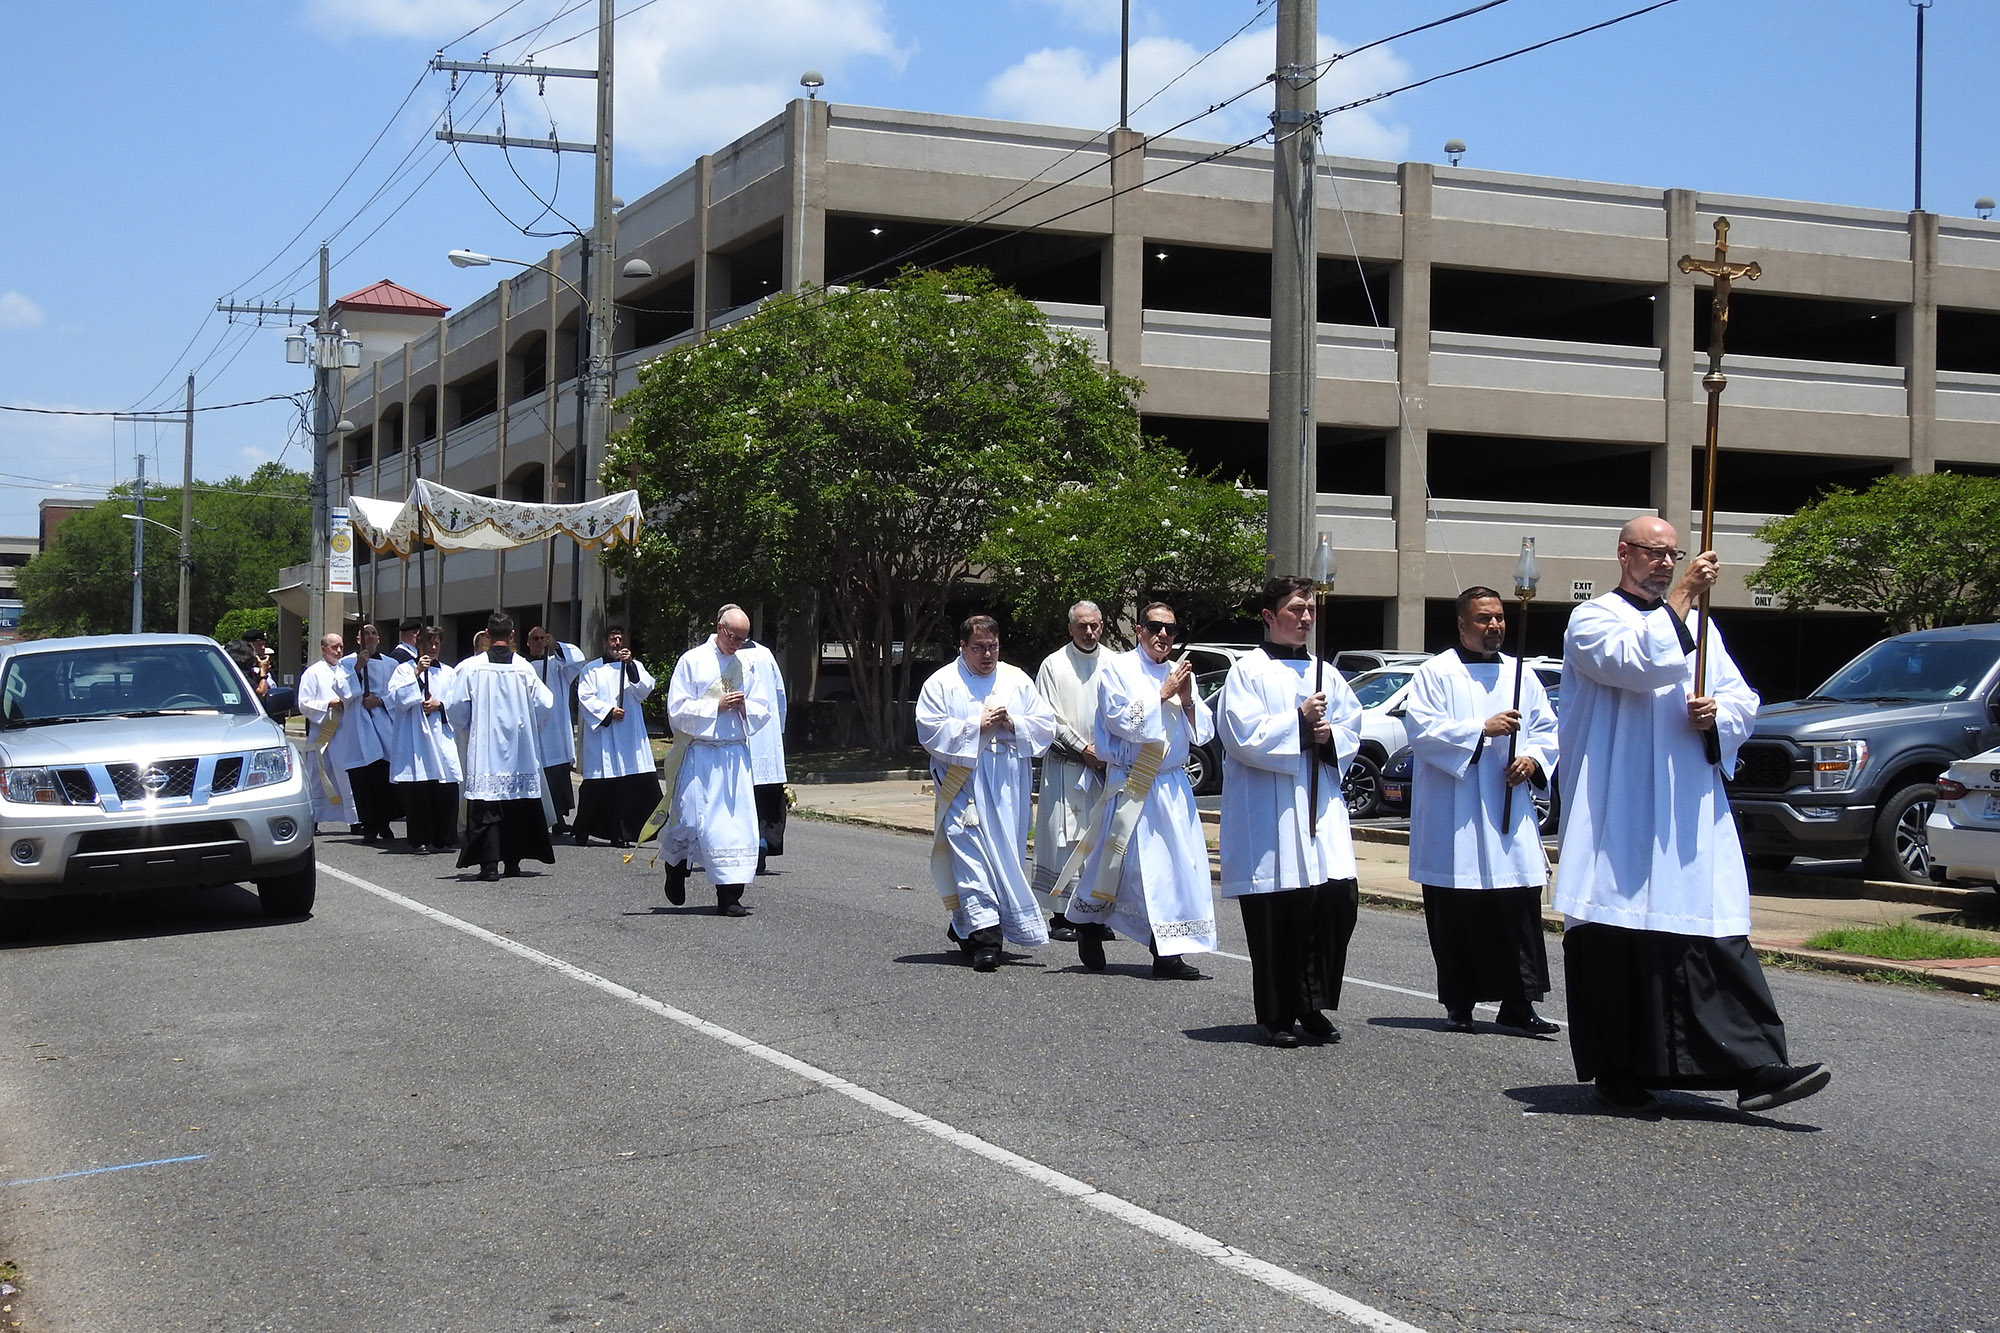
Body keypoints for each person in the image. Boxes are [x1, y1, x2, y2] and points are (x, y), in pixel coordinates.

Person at [1556, 516, 1830, 1114]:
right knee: (1617, 935)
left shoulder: (1701, 627)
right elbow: (1637, 665)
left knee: (1710, 930)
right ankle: (1621, 1069)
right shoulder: (1594, 618)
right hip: (1618, 807)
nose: (1664, 564)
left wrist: (1719, 714)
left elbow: (1742, 698)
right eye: (1655, 554)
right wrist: (1682, 597)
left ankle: (1758, 1068)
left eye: (1673, 556)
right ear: (1623, 553)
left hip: (1686, 806)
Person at [1406, 587, 1560, 1035]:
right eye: (1482, 619)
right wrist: (1481, 730)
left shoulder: (1521, 675)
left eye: (1498, 618)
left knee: (1516, 909)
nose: (1494, 626)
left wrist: (1533, 759)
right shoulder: (1436, 673)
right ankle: (1460, 1003)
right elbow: (1423, 732)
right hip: (1454, 815)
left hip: (1507, 813)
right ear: (1461, 624)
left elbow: (1548, 730)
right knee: (1458, 911)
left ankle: (1520, 1002)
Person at [1219, 575, 1363, 1048]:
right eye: (1295, 609)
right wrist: (1298, 724)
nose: (1305, 618)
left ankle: (1312, 1003)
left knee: (1334, 906)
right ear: (1268, 616)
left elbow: (1351, 726)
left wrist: (1329, 737)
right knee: (1280, 914)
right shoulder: (1248, 671)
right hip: (1272, 817)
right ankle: (1277, 1014)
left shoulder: (1326, 672)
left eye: (1310, 610)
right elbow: (1242, 736)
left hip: (1321, 812)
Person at [1066, 602, 1217, 979]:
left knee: (1173, 867)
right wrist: (1162, 694)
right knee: (1120, 865)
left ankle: (1167, 951)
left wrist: (1186, 700)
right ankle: (1088, 921)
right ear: (1139, 630)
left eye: (1170, 629)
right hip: (1132, 781)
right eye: (1154, 627)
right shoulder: (1117, 668)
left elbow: (1204, 733)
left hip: (1170, 784)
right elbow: (1119, 721)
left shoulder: (1180, 674)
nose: (1163, 635)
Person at [915, 615, 1058, 972]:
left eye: (992, 646)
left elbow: (1045, 725)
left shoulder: (1016, 679)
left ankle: (967, 925)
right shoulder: (942, 683)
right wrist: (975, 726)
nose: (987, 654)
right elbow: (928, 730)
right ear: (962, 647)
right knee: (972, 860)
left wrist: (1012, 723)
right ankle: (985, 941)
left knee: (1004, 858)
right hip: (964, 787)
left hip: (1009, 785)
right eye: (978, 647)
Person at [660, 607, 771, 916]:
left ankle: (730, 897)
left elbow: (764, 707)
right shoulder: (692, 661)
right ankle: (675, 867)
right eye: (734, 637)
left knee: (733, 828)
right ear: (720, 628)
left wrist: (746, 706)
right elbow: (677, 710)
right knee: (690, 820)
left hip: (734, 755)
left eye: (744, 638)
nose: (738, 644)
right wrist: (715, 705)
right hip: (701, 752)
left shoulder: (746, 665)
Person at [443, 611, 556, 881]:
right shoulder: (524, 667)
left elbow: (456, 706)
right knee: (516, 805)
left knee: (488, 806)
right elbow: (545, 703)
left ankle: (489, 865)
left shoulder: (470, 667)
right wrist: (530, 726)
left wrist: (466, 726)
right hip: (519, 750)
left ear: (487, 635)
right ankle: (513, 863)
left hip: (486, 749)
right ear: (513, 635)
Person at [1031, 600, 1106, 941]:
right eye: (1082, 626)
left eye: (1094, 625)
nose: (1089, 632)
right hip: (1066, 766)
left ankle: (1095, 914)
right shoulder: (1053, 665)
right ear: (1070, 628)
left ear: (1102, 626)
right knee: (1063, 840)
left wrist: (1104, 752)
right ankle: (1062, 916)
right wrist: (1083, 748)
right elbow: (1048, 717)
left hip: (1104, 768)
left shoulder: (1116, 663)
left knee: (1102, 838)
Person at [573, 624, 659, 847]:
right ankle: (583, 829)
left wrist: (630, 666)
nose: (617, 643)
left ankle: (621, 833)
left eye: (620, 639)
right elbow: (585, 698)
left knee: (627, 788)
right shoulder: (591, 669)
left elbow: (645, 688)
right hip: (605, 735)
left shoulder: (634, 666)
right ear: (605, 642)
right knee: (598, 786)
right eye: (613, 639)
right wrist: (608, 711)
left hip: (629, 735)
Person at [722, 607, 790, 876]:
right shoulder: (765, 654)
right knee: (765, 799)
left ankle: (747, 848)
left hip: (735, 736)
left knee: (740, 799)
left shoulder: (726, 656)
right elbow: (779, 694)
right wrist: (778, 732)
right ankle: (762, 842)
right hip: (765, 738)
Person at [386, 625, 462, 854]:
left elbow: (459, 703)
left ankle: (444, 838)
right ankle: (419, 837)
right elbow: (397, 699)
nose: (434, 647)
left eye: (438, 642)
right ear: (419, 645)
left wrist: (441, 705)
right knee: (418, 790)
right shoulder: (403, 670)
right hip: (415, 737)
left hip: (441, 734)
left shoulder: (449, 672)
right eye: (430, 643)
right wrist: (416, 673)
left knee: (446, 784)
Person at [334, 622, 404, 844]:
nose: (370, 637)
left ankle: (384, 822)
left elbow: (399, 693)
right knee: (362, 778)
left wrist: (380, 700)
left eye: (374, 633)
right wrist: (357, 667)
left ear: (379, 639)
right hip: (358, 726)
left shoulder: (391, 664)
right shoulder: (346, 663)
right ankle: (369, 825)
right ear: (358, 640)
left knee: (383, 776)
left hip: (383, 723)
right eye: (365, 634)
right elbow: (341, 689)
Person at [526, 625, 588, 837]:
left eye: (543, 637)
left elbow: (577, 661)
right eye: (535, 638)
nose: (540, 641)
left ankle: (559, 818)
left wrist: (556, 646)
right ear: (528, 643)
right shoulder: (522, 668)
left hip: (555, 730)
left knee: (557, 775)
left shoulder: (557, 665)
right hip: (535, 728)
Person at [296, 632, 357, 833]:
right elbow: (304, 704)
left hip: (344, 732)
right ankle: (313, 819)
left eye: (341, 646)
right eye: (334, 647)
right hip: (323, 732)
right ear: (324, 649)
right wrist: (327, 704)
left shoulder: (347, 670)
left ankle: (354, 820)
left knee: (346, 777)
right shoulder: (313, 673)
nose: (339, 651)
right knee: (318, 777)